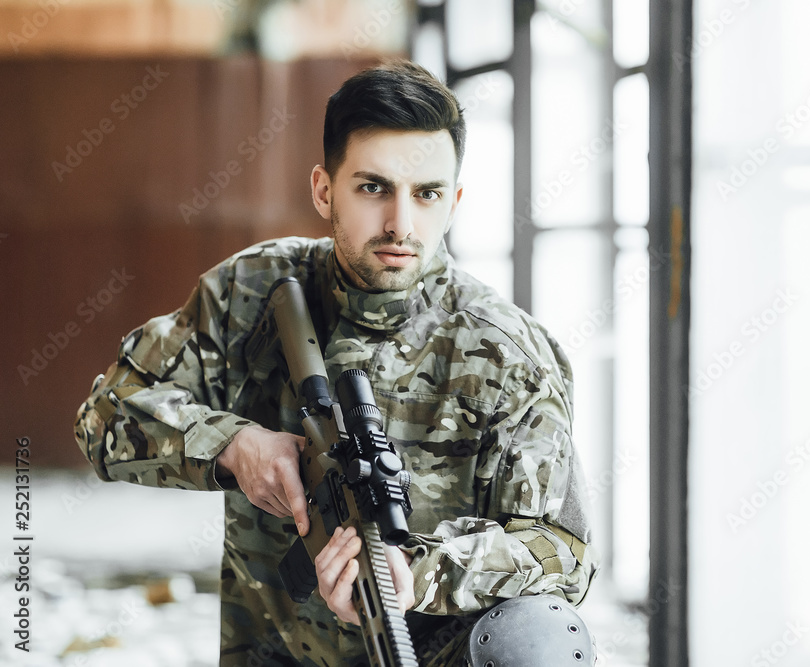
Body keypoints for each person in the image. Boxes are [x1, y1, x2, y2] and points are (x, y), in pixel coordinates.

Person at [74, 60, 598, 666]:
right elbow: (102, 417)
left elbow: (564, 552)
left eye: (427, 194)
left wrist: (422, 570)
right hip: (276, 653)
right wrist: (232, 445)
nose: (401, 224)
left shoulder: (505, 351)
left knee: (539, 640)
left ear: (454, 201)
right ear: (324, 189)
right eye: (374, 188)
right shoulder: (251, 292)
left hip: (436, 653)